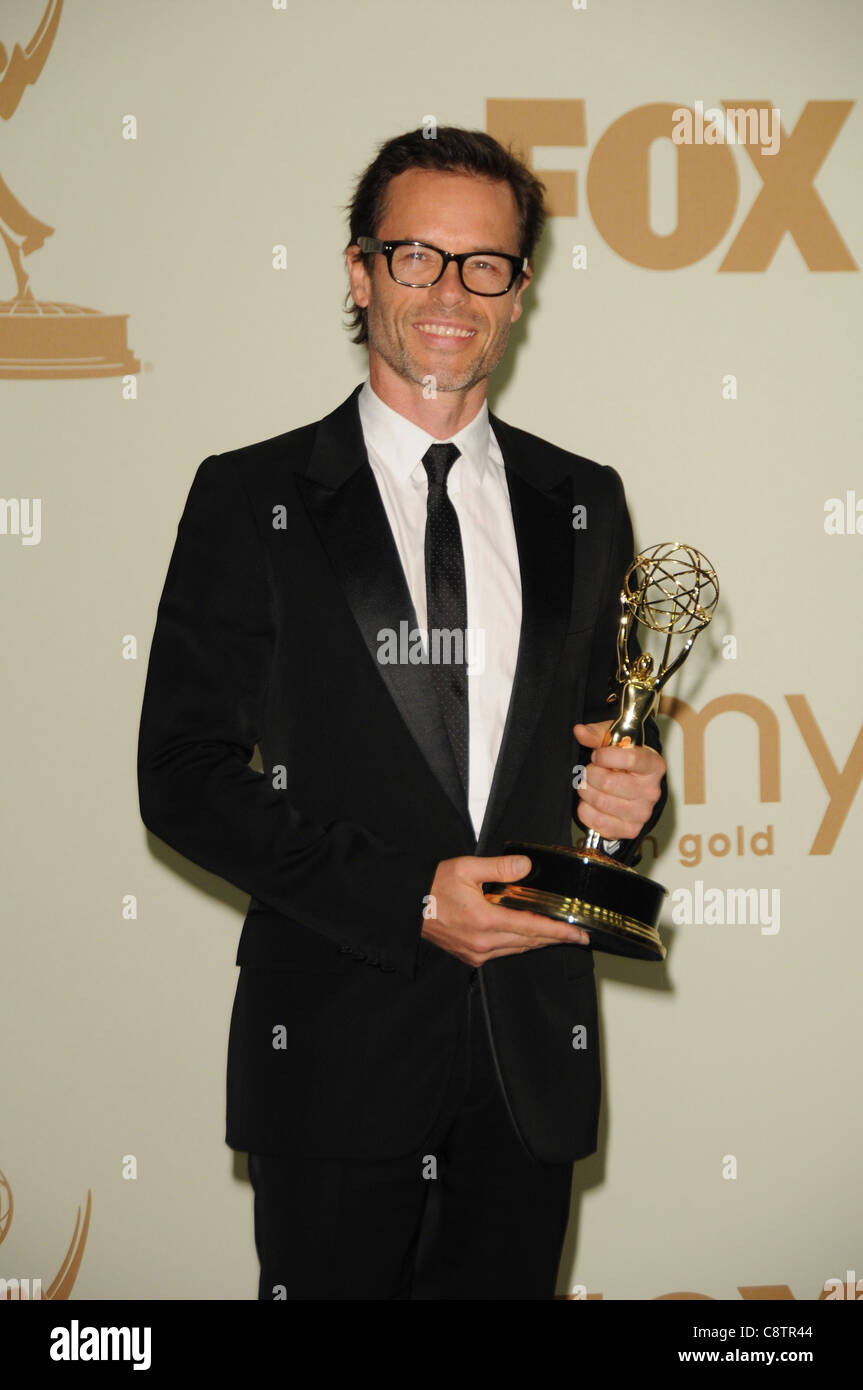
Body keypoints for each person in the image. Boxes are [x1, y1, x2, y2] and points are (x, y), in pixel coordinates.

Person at [137, 126, 667, 1301]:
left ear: (517, 292)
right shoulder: (251, 496)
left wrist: (629, 795)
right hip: (332, 1053)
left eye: (482, 265)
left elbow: (601, 742)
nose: (448, 292)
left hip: (526, 1060)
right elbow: (181, 772)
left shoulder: (582, 500)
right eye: (415, 256)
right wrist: (407, 896)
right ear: (357, 270)